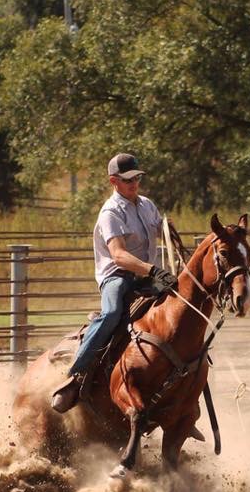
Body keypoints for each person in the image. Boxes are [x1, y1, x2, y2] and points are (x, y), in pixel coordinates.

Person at [51, 153, 178, 413]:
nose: (134, 183)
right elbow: (119, 256)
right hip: (117, 277)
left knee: (178, 306)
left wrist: (167, 230)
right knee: (111, 314)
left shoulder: (146, 205)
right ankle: (76, 375)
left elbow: (160, 230)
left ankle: (183, 393)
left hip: (146, 275)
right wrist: (154, 270)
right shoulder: (110, 213)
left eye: (137, 178)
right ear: (114, 181)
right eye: (128, 179)